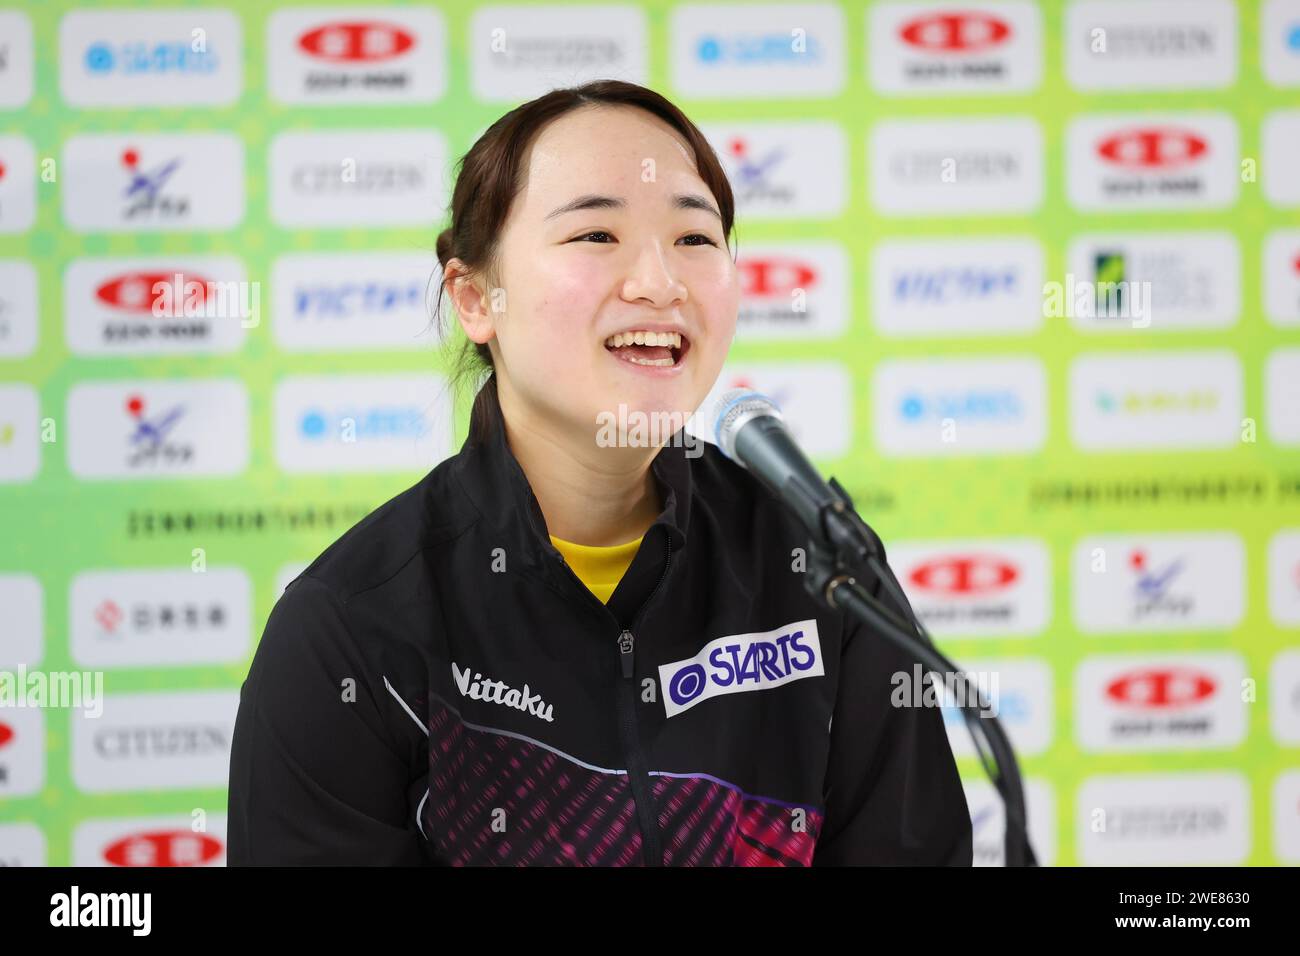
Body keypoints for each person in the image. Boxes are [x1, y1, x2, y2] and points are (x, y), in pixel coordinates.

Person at [227, 80, 971, 866]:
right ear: (476, 298)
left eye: (695, 238)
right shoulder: (350, 631)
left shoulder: (822, 568)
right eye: (595, 236)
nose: (659, 281)